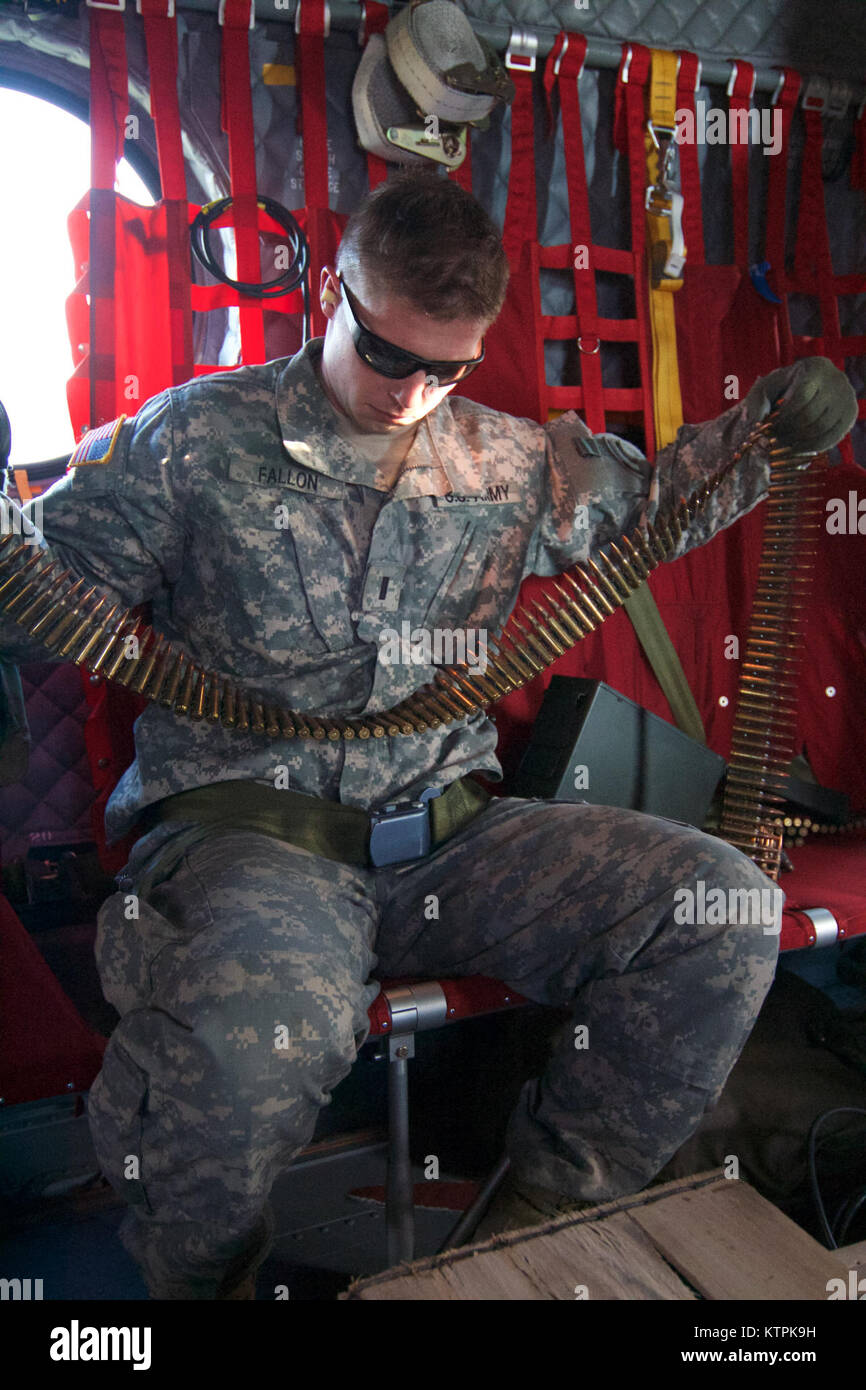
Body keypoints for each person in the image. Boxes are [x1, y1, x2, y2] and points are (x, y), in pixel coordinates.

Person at [0, 171, 857, 1300]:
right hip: (254, 840)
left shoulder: (505, 462)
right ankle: (204, 1290)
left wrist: (767, 431)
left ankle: (537, 1223)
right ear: (331, 291)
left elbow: (656, 505)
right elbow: (37, 596)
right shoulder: (192, 441)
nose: (411, 392)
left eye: (445, 368)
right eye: (389, 354)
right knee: (250, 1043)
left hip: (449, 834)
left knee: (718, 908)